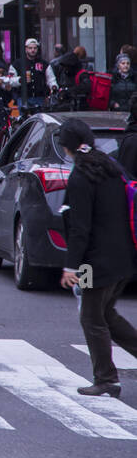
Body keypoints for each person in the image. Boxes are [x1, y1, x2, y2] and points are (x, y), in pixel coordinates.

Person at [58, 117, 137, 397]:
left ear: (66, 147)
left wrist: (72, 267)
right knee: (107, 314)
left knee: (91, 317)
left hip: (94, 262)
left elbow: (81, 229)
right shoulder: (109, 166)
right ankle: (106, 376)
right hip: (123, 256)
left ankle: (106, 379)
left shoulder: (81, 176)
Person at [8, 38, 54, 113]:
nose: (32, 50)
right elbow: (10, 80)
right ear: (26, 49)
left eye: (35, 48)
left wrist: (53, 87)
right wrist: (20, 80)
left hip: (39, 98)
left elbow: (51, 79)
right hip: (23, 98)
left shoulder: (44, 64)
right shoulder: (17, 64)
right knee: (24, 120)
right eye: (30, 48)